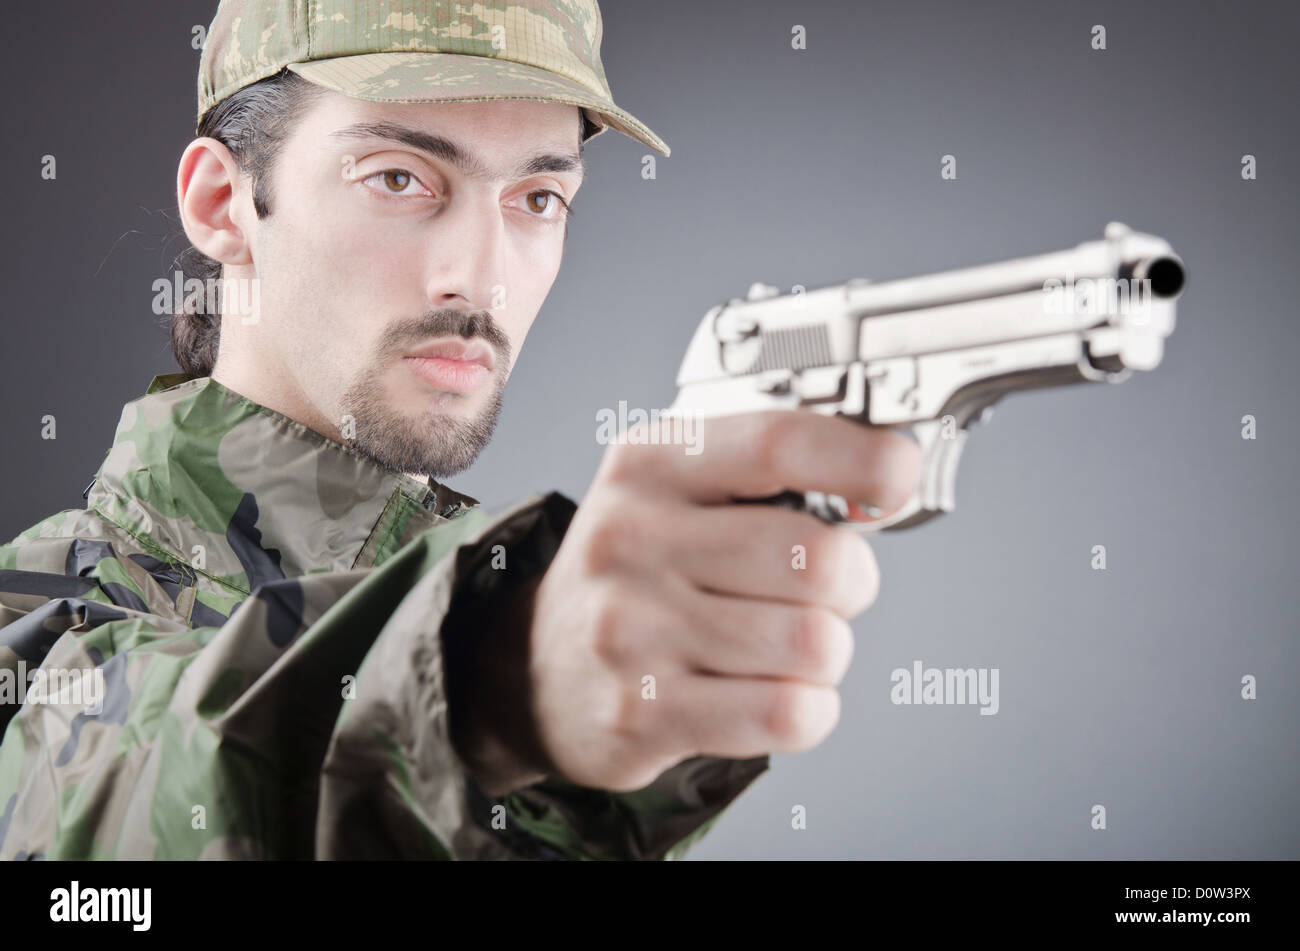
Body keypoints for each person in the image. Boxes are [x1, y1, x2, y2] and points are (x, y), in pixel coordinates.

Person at [0, 0, 921, 860]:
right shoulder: (33, 623)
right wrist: (492, 679)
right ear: (222, 204)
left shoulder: (514, 595)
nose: (482, 279)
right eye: (400, 178)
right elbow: (119, 798)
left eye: (537, 199)